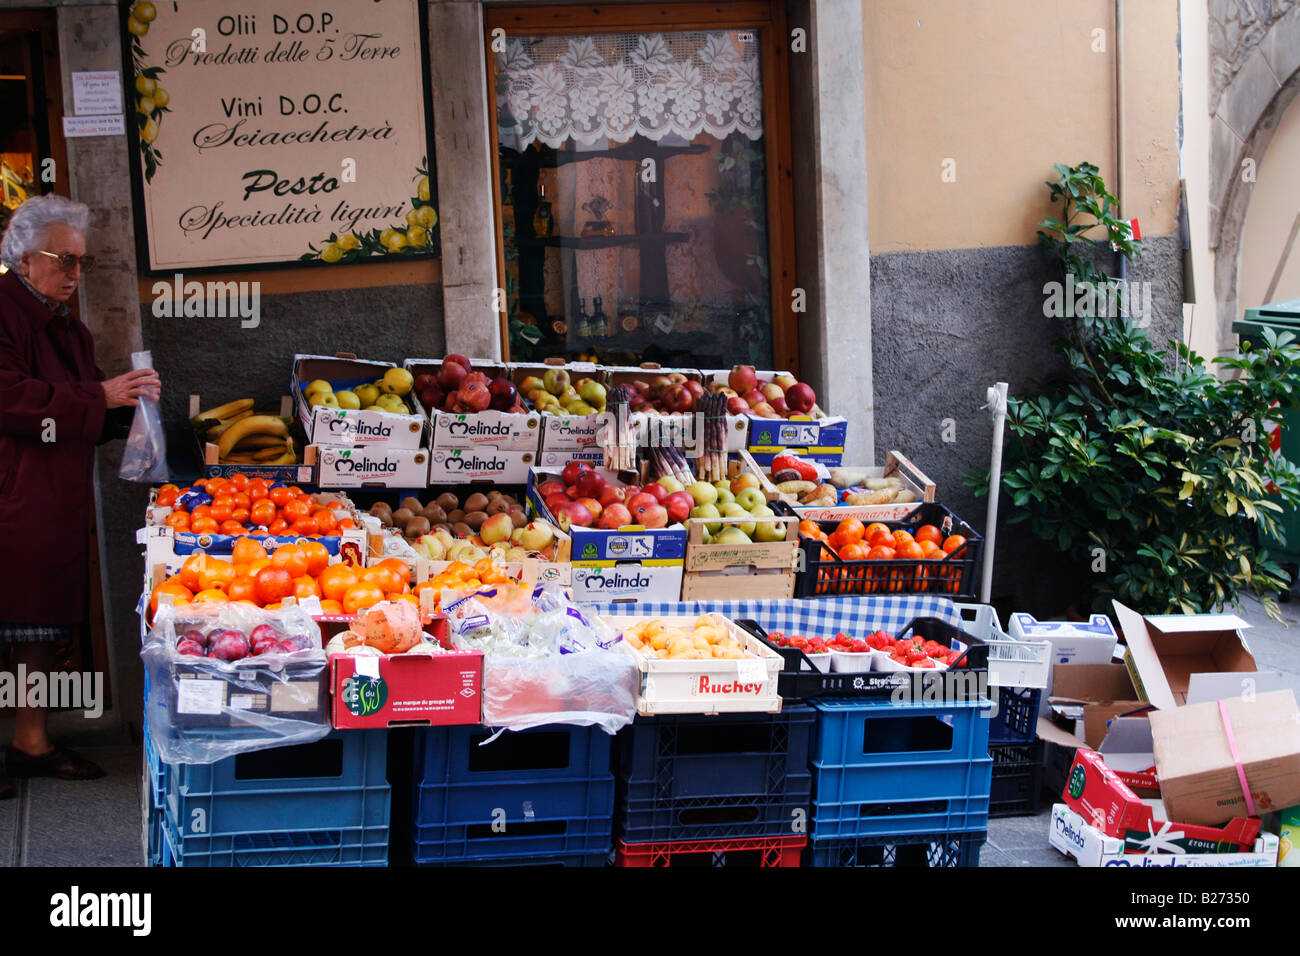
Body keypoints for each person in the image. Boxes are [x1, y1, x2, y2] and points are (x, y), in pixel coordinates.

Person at [0, 195, 161, 798]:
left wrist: (129, 413)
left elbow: (78, 404)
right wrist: (101, 396)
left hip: (48, 494)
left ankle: (30, 741)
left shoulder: (66, 323)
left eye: (80, 263)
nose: (73, 273)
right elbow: (11, 397)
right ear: (22, 257)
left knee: (34, 625)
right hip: (12, 488)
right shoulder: (5, 310)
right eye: (62, 260)